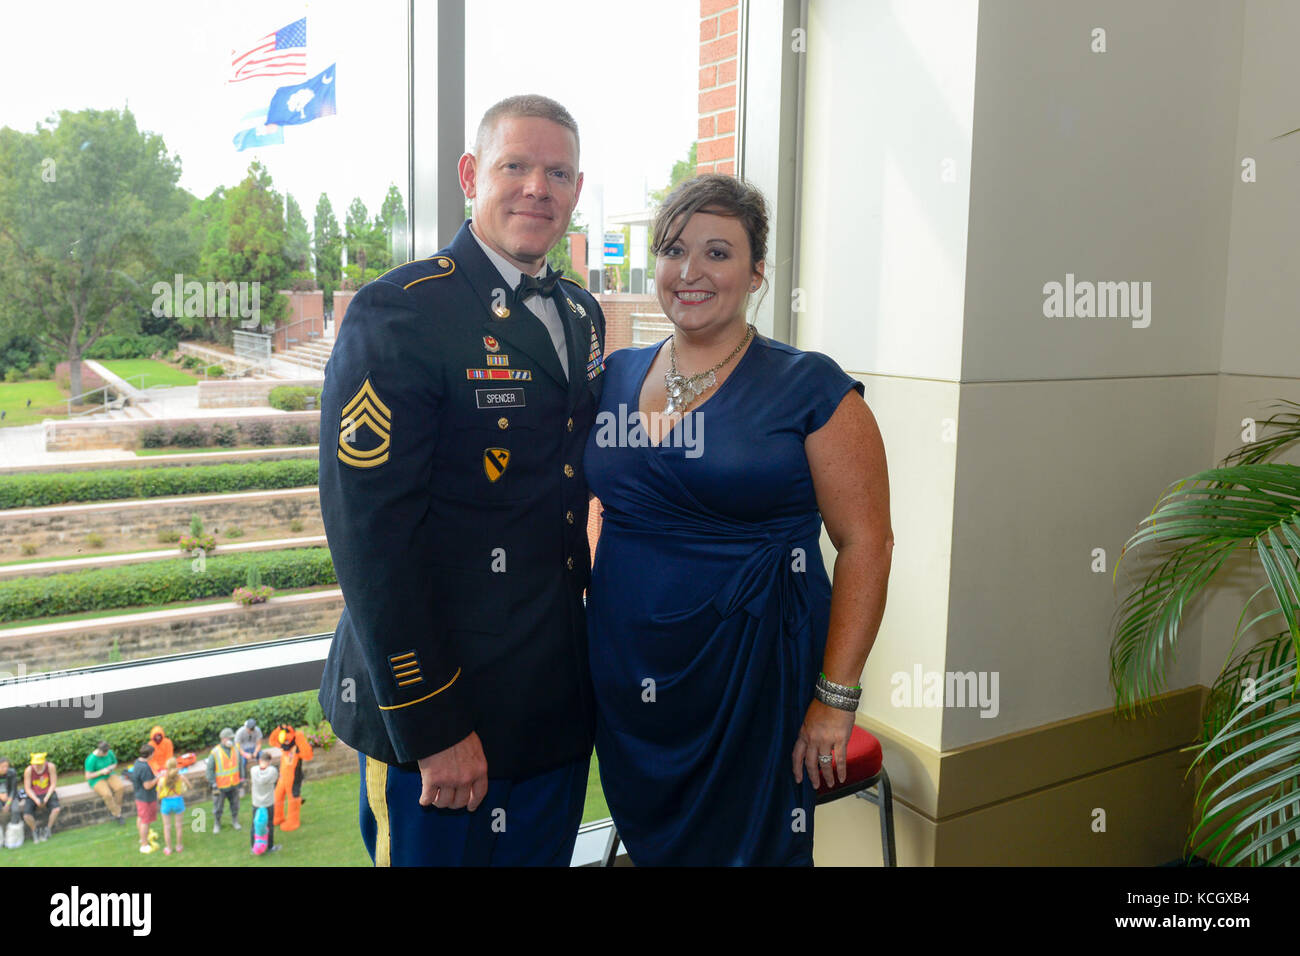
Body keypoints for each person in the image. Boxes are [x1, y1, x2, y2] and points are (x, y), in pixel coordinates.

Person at [317, 94, 606, 866]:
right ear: (472, 175)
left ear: (577, 191)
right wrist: (433, 720)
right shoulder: (400, 311)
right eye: (516, 166)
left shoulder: (581, 314)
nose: (537, 188)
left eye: (558, 172)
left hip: (550, 697)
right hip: (442, 711)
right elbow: (370, 538)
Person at [584, 174, 894, 865]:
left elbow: (867, 541)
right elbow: (600, 503)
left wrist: (835, 699)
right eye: (673, 250)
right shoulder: (613, 374)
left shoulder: (811, 387)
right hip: (631, 678)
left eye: (718, 253)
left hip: (756, 677)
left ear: (756, 272)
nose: (690, 272)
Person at [268, 724, 312, 832]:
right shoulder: (283, 747)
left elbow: (308, 755)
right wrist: (278, 729)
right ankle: (277, 817)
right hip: (282, 778)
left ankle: (293, 821)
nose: (286, 742)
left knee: (293, 799)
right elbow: (272, 741)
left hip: (293, 779)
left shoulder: (297, 747)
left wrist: (300, 737)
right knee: (277, 797)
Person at [205, 728, 244, 834]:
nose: (231, 740)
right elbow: (209, 770)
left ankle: (235, 821)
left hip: (234, 784)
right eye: (229, 738)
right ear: (223, 739)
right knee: (218, 808)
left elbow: (240, 766)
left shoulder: (235, 749)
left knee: (235, 805)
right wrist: (213, 783)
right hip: (220, 786)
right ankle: (217, 824)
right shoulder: (215, 752)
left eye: (232, 738)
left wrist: (242, 780)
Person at [84, 741, 130, 824]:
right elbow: (88, 776)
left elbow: (115, 763)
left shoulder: (109, 753)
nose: (106, 755)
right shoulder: (91, 759)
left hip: (109, 774)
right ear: (100, 751)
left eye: (107, 753)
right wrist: (101, 772)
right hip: (96, 779)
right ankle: (118, 814)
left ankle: (116, 809)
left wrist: (110, 768)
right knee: (107, 794)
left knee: (120, 787)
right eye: (104, 754)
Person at [21, 753, 60, 842]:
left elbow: (53, 784)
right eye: (35, 764)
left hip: (48, 792)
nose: (37, 766)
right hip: (33, 794)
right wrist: (35, 799)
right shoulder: (28, 770)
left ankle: (48, 829)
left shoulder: (50, 767)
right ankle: (35, 830)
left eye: (39, 764)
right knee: (27, 815)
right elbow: (27, 788)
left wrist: (46, 797)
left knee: (56, 809)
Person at [128, 744, 159, 854]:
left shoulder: (138, 762)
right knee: (145, 821)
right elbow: (147, 785)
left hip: (139, 796)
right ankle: (144, 845)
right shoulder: (145, 767)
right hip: (146, 798)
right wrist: (158, 778)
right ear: (150, 754)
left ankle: (143, 838)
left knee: (141, 818)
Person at [248, 749, 280, 855]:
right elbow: (275, 780)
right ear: (269, 761)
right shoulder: (273, 771)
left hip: (256, 802)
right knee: (269, 824)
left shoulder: (253, 770)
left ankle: (254, 847)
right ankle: (270, 847)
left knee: (254, 824)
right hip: (268, 802)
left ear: (260, 760)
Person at [155, 757, 189, 855]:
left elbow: (158, 795)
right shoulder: (181, 777)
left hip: (166, 802)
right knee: (178, 826)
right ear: (176, 766)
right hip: (178, 801)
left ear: (166, 767)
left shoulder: (162, 779)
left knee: (167, 827)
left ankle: (169, 848)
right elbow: (189, 786)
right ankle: (179, 846)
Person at [0, 756, 18, 833]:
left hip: (11, 796)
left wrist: (8, 804)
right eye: (3, 767)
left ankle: (13, 830)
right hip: (1, 796)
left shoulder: (12, 773)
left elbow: (13, 790)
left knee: (15, 810)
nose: (5, 768)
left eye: (7, 766)